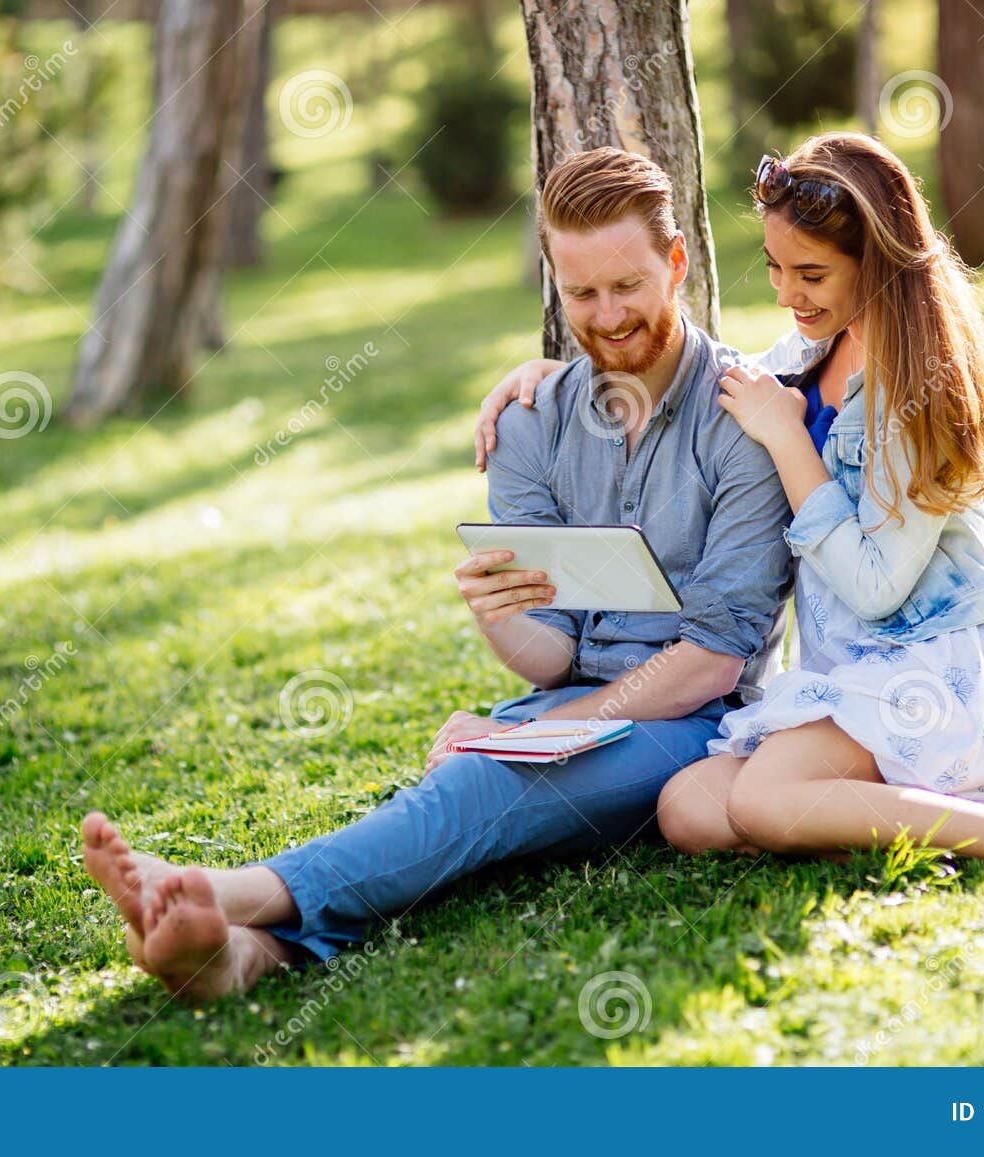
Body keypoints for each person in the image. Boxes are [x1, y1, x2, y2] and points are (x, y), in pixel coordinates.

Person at [83, 147, 802, 1001]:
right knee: (464, 811)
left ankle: (228, 888)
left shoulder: (746, 419)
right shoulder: (533, 421)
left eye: (628, 286)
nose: (607, 317)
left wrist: (546, 728)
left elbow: (716, 661)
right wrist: (498, 617)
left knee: (475, 789)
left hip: (696, 724)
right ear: (554, 278)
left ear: (677, 262)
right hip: (564, 708)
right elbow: (550, 657)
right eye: (581, 293)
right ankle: (240, 958)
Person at [475, 133, 984, 894]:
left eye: (811, 273)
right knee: (690, 809)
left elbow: (874, 588)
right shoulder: (804, 357)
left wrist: (784, 438)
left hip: (946, 671)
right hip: (857, 679)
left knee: (765, 800)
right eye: (774, 267)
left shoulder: (916, 391)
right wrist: (555, 372)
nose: (786, 293)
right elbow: (708, 378)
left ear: (876, 263)